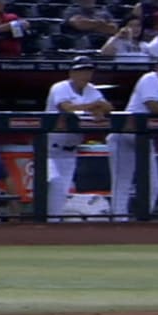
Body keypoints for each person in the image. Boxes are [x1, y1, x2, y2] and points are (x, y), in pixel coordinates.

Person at [109, 53, 158, 221]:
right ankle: (118, 221)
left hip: (145, 137)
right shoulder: (149, 79)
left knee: (154, 186)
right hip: (124, 135)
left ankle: (142, 222)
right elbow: (154, 108)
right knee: (121, 182)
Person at [43, 56, 112, 222]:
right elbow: (66, 108)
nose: (85, 75)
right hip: (48, 149)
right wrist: (92, 106)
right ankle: (45, 222)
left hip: (70, 150)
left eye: (88, 71)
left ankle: (53, 224)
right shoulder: (60, 87)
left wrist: (96, 106)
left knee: (63, 190)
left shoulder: (91, 89)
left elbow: (108, 107)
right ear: (72, 72)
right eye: (81, 71)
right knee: (55, 183)